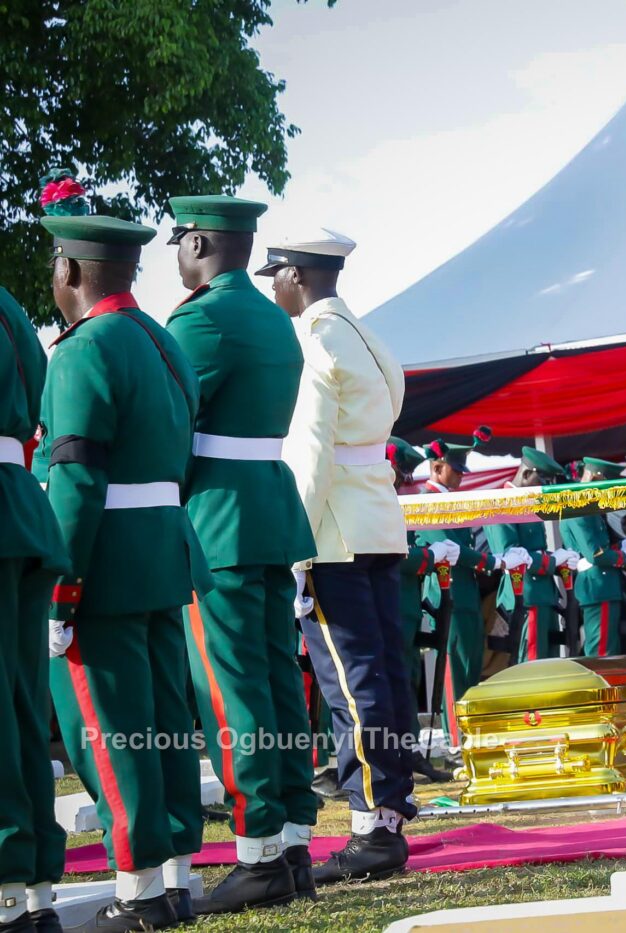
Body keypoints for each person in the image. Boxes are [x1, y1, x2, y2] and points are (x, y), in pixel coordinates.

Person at [38, 209, 206, 931]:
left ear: (70, 270)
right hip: (164, 550)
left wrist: (59, 586)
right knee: (166, 719)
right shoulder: (164, 341)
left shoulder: (83, 350)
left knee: (107, 726)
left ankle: (137, 893)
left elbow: (75, 480)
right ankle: (173, 878)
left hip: (103, 557)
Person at [161, 195, 321, 915]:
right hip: (265, 509)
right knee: (278, 683)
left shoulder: (201, 319)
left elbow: (166, 424)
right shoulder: (271, 317)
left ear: (198, 241)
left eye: (178, 243)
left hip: (218, 518)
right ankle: (291, 842)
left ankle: (256, 850)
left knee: (233, 690)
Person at [264, 227, 417, 884]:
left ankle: (370, 825)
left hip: (334, 530)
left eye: (276, 273)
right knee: (384, 671)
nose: (272, 285)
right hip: (378, 521)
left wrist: (294, 544)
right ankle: (389, 811)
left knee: (351, 683)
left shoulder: (313, 340)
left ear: (296, 275)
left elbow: (309, 452)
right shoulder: (363, 334)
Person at [0, 285, 69, 933]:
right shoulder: (12, 307)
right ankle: (32, 881)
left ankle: (11, 880)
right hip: (21, 504)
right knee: (20, 702)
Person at [415, 436, 506, 727]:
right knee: (453, 666)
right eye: (454, 470)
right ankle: (455, 734)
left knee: (470, 663)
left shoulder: (449, 501)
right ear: (437, 467)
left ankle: (468, 728)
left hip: (465, 592)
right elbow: (450, 548)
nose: (459, 476)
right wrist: (488, 561)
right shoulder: (428, 501)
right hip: (447, 593)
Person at [385, 438, 458, 785]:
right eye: (401, 475)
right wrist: (429, 558)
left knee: (408, 681)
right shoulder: (377, 500)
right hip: (389, 606)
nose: (404, 484)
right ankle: (394, 753)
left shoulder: (397, 501)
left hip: (408, 607)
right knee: (390, 685)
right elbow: (393, 552)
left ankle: (409, 750)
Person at [484, 447, 578, 663]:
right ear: (526, 474)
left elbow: (537, 552)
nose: (543, 489)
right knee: (532, 667)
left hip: (543, 596)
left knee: (549, 665)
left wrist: (559, 557)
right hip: (525, 597)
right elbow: (512, 556)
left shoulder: (527, 506)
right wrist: (554, 560)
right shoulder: (502, 504)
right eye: (541, 481)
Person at [561, 452, 626, 657]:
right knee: (602, 652)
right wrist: (625, 555)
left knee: (609, 649)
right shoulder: (578, 506)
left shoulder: (588, 507)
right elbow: (595, 554)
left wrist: (623, 545)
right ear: (594, 478)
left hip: (603, 586)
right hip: (597, 585)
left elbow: (603, 546)